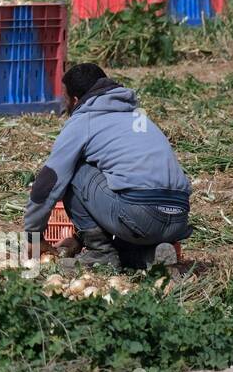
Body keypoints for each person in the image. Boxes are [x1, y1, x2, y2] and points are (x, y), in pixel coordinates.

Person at [23, 63, 191, 270]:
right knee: (121, 189)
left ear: (75, 100)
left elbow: (47, 183)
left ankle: (100, 254)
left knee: (73, 170)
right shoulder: (139, 118)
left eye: (65, 99)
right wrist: (78, 238)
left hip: (139, 216)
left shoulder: (83, 121)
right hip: (178, 218)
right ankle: (149, 256)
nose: (64, 107)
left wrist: (33, 235)